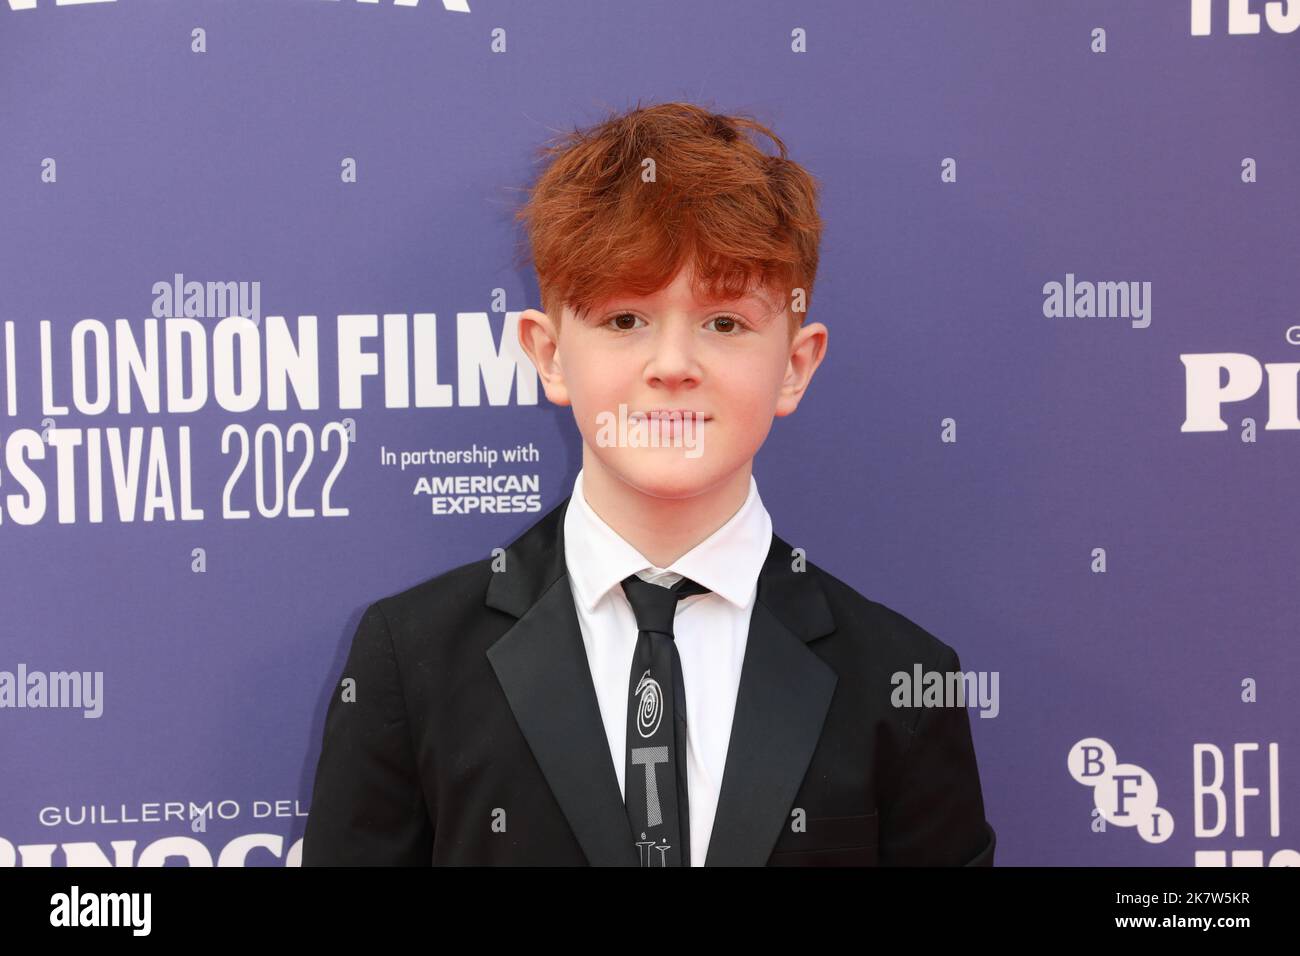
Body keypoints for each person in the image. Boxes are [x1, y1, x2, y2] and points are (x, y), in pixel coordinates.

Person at [302, 101, 995, 866]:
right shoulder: (411, 659)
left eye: (724, 323)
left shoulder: (905, 681)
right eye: (626, 319)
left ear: (795, 365)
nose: (673, 365)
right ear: (549, 352)